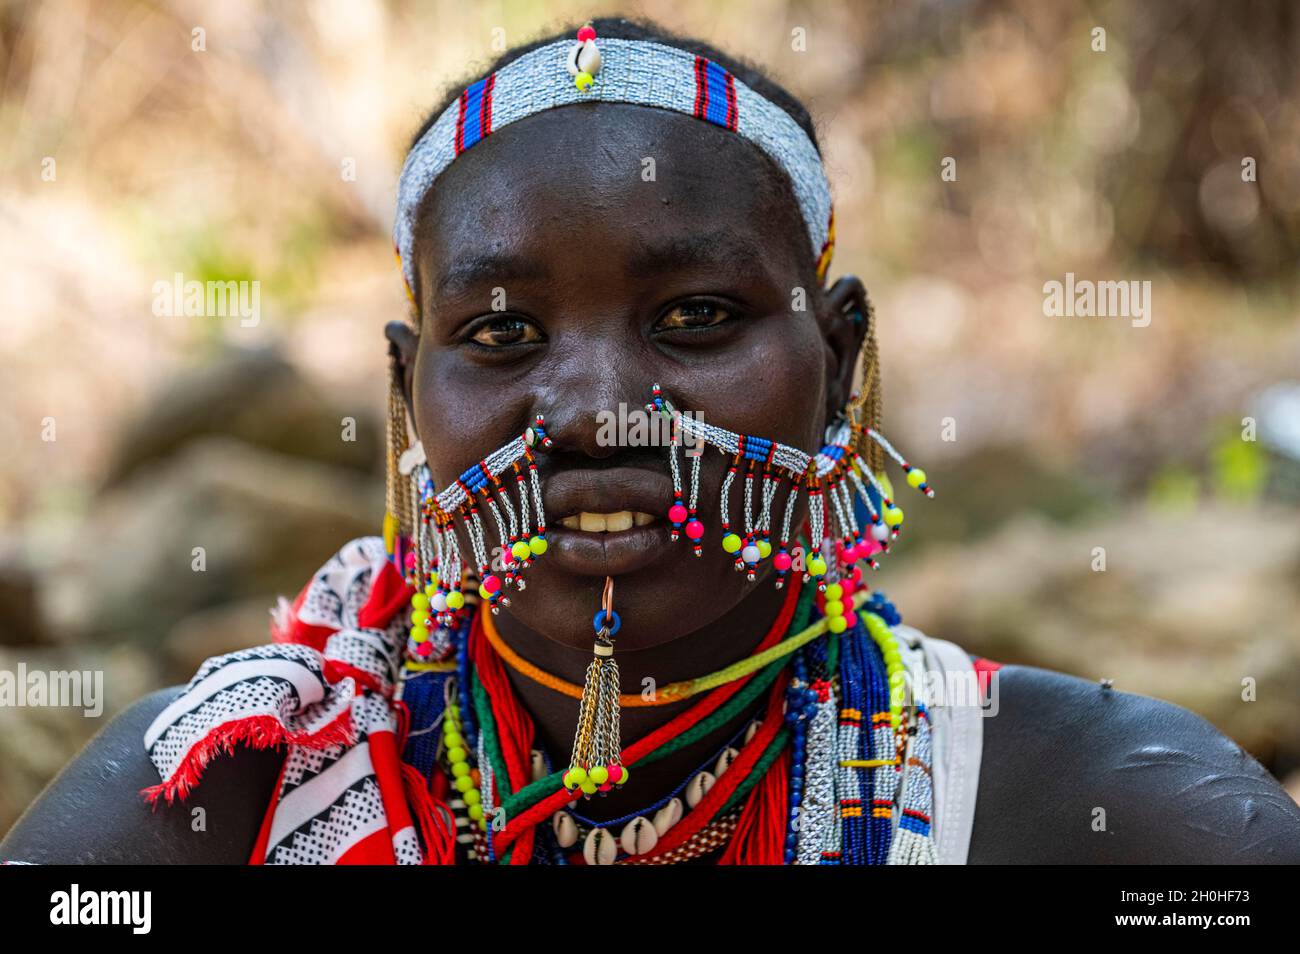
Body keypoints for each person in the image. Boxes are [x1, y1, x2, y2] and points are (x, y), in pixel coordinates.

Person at [4, 16, 1299, 865]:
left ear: (836, 363)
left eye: (696, 317)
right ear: (409, 394)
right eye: (503, 334)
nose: (596, 408)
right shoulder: (224, 798)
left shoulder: (1088, 814)